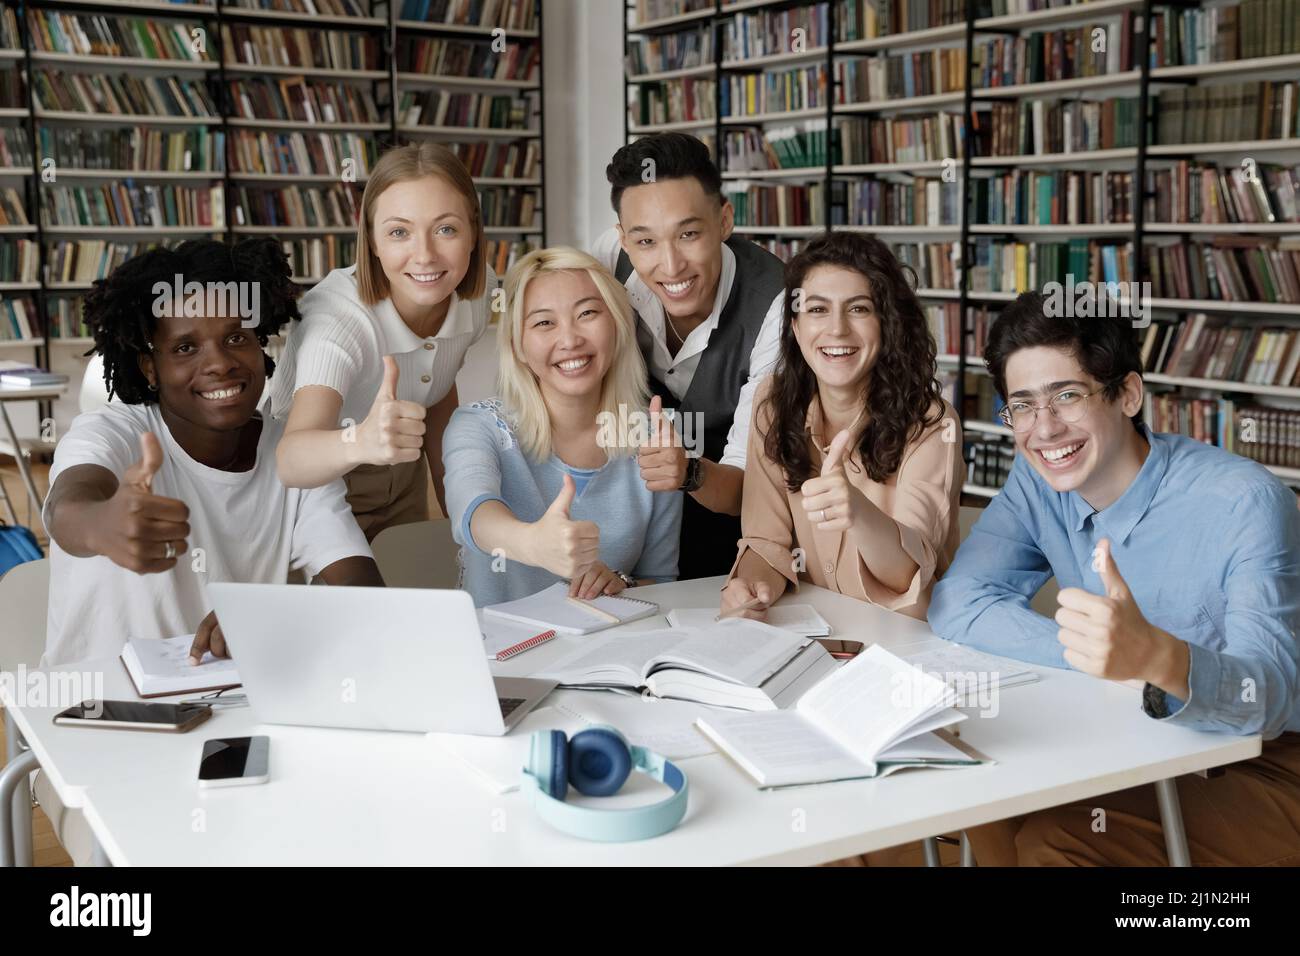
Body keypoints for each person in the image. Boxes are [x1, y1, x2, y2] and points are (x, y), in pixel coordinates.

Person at [928, 291, 1300, 866]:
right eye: (1022, 406)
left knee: (1058, 841)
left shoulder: (1244, 500)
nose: (1044, 429)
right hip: (1132, 734)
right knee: (983, 798)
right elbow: (960, 602)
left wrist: (1161, 662)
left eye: (1067, 396)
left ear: (1128, 393)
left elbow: (1269, 694)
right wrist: (1100, 658)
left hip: (1267, 762)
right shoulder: (1038, 486)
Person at [42, 239, 382, 667]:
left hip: (226, 705)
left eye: (236, 337)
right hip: (94, 712)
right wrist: (102, 523)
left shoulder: (294, 452)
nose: (220, 363)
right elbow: (65, 508)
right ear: (151, 368)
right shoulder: (113, 431)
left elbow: (362, 589)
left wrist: (278, 614)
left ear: (260, 344)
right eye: (186, 348)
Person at [720, 232, 963, 622]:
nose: (837, 330)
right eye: (817, 310)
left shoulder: (932, 423)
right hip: (810, 634)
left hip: (903, 644)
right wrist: (751, 587)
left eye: (859, 309)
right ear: (796, 329)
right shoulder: (773, 403)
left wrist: (858, 511)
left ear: (887, 326)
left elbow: (910, 577)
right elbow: (767, 541)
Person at [271, 142, 497, 539]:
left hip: (399, 461)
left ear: (473, 232)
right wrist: (361, 441)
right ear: (372, 241)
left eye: (445, 229)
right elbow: (291, 460)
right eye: (399, 232)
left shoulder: (478, 293)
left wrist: (461, 521)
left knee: (412, 582)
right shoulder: (338, 319)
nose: (424, 255)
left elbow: (437, 386)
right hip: (316, 479)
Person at [442, 247, 682, 606]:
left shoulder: (656, 435)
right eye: (543, 322)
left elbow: (661, 581)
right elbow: (471, 514)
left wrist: (621, 584)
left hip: (608, 653)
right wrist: (533, 544)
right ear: (517, 345)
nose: (569, 340)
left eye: (587, 313)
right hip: (502, 656)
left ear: (617, 325)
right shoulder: (479, 426)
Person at [593, 132, 786, 577]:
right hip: (630, 505)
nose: (671, 265)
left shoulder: (777, 304)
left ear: (724, 221)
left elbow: (746, 486)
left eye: (689, 234)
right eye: (645, 243)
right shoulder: (606, 260)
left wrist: (687, 471)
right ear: (623, 239)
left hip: (731, 515)